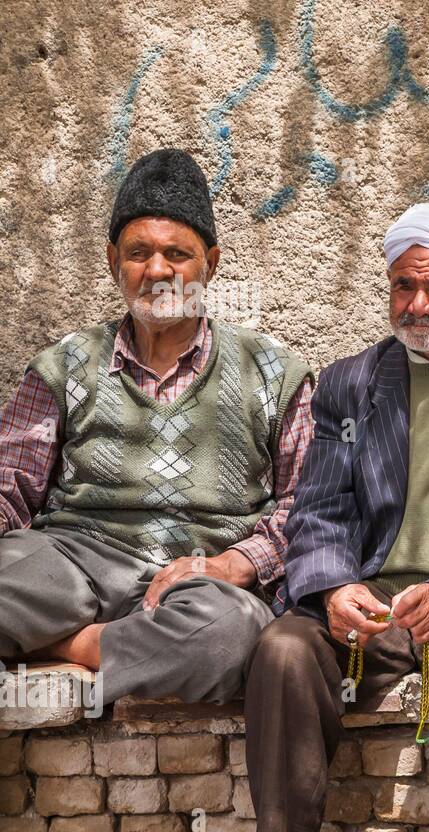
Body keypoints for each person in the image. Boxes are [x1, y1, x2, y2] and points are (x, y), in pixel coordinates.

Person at [244, 203, 429, 832]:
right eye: (405, 285)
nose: (420, 304)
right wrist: (334, 587)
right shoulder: (352, 382)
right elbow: (317, 507)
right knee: (283, 647)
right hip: (369, 605)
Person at [0, 148, 312, 705]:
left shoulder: (273, 372)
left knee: (232, 633)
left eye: (178, 253)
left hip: (196, 578)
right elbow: (10, 486)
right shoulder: (64, 365)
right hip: (73, 560)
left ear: (210, 264)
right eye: (138, 252)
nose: (158, 270)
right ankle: (116, 651)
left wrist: (235, 562)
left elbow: (305, 504)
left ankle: (73, 649)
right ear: (113, 262)